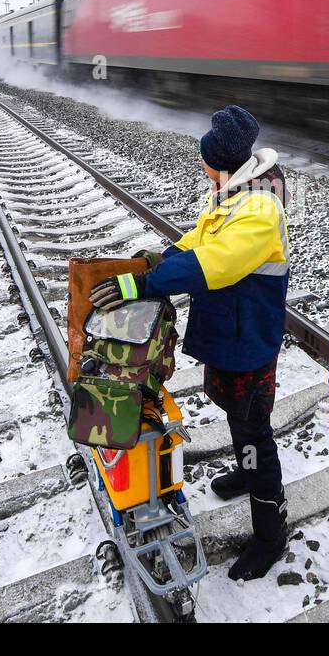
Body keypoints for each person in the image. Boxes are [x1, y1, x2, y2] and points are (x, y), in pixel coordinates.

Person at [89, 105, 290, 581]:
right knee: (234, 411)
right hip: (229, 333)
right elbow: (199, 241)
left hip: (249, 339)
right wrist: (157, 263)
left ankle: (271, 530)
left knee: (254, 428)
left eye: (204, 164)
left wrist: (142, 286)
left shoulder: (260, 208)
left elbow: (214, 263)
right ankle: (246, 470)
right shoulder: (234, 190)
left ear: (222, 164)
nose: (201, 170)